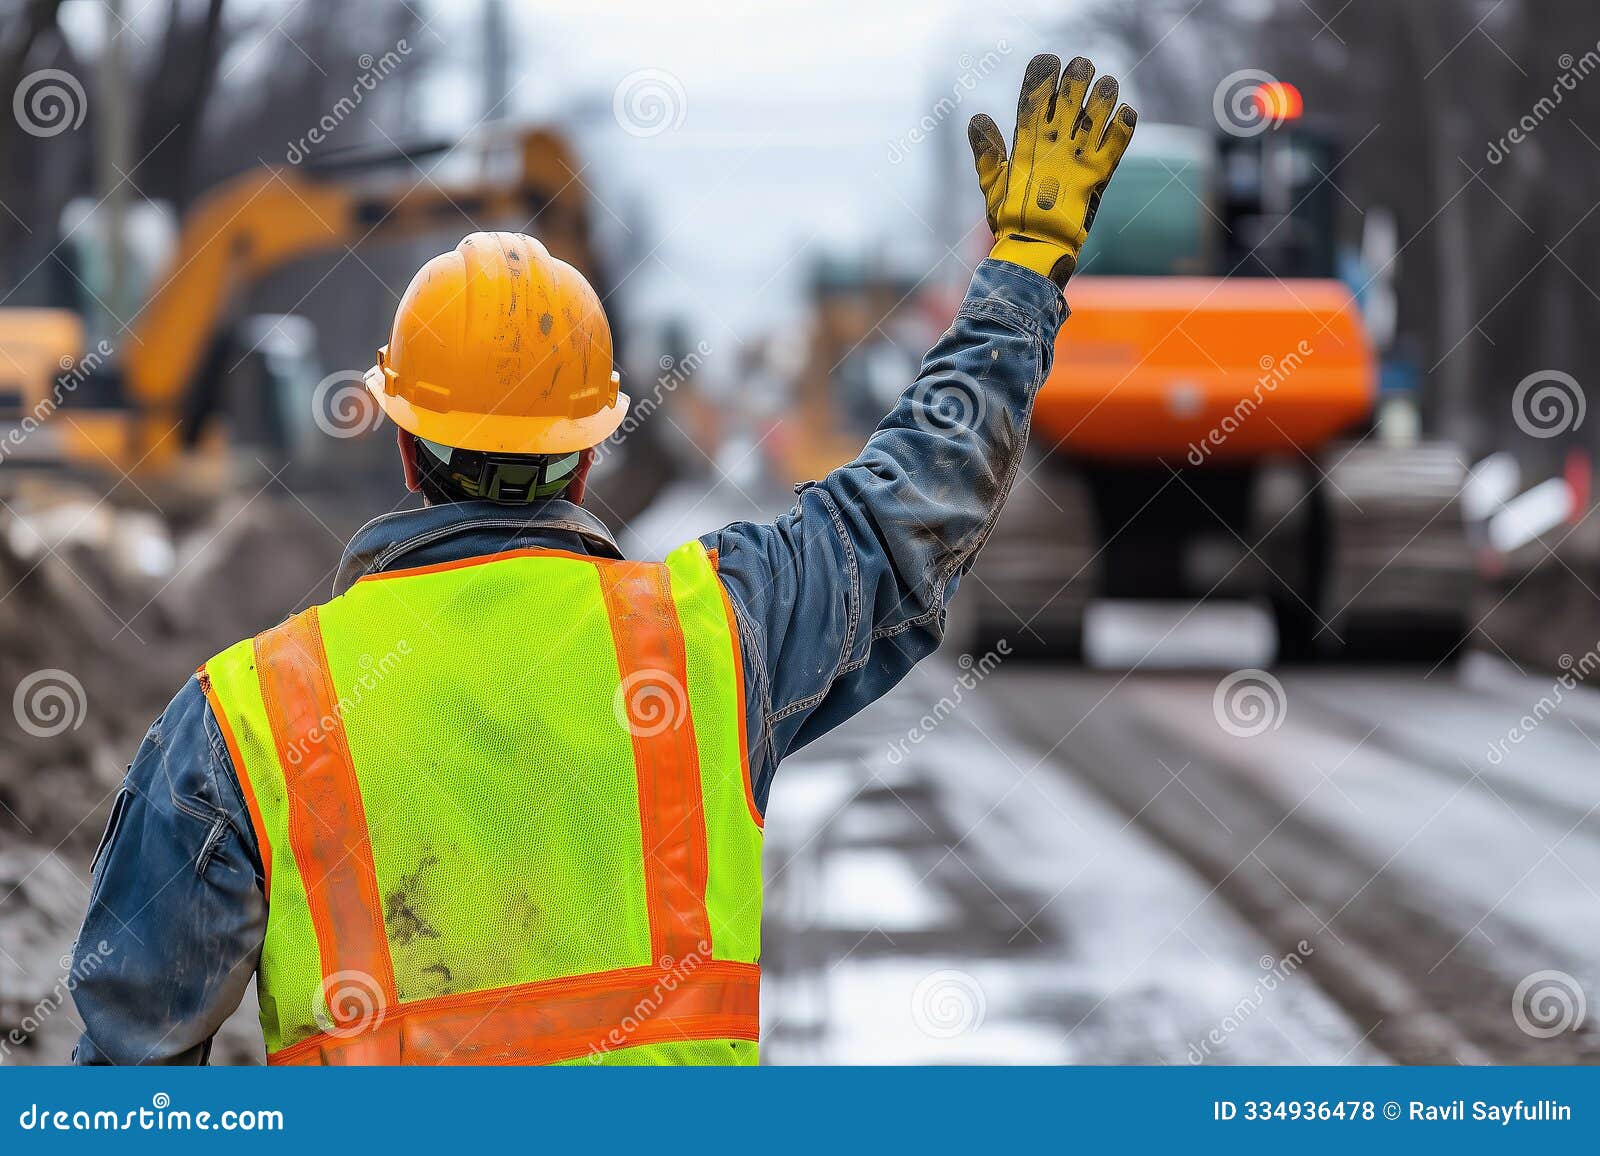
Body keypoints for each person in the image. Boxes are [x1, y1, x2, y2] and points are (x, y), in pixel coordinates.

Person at [71, 53, 1136, 1065]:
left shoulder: (243, 718)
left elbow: (132, 1074)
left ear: (401, 440)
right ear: (585, 457)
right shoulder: (713, 637)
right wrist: (1022, 271)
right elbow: (906, 515)